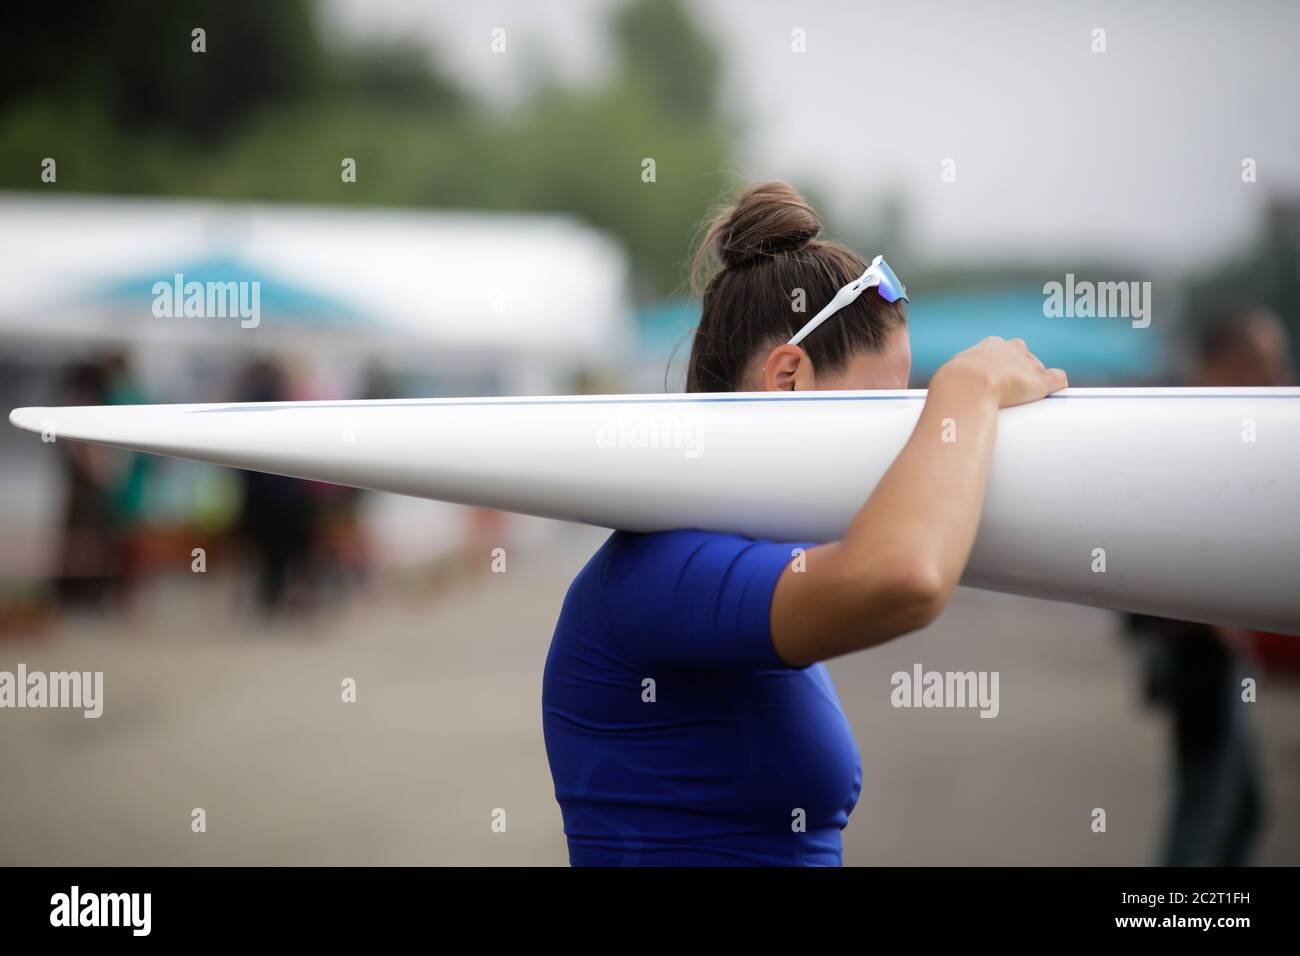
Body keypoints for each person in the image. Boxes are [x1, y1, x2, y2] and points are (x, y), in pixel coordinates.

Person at [541, 181, 1067, 865]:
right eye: (889, 402)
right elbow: (905, 577)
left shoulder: (737, 549)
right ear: (787, 377)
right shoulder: (663, 569)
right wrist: (965, 391)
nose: (905, 432)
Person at [1126, 304, 1291, 865]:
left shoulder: (1217, 427)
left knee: (1240, 810)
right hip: (1197, 652)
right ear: (1224, 361)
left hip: (1214, 651)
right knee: (1208, 813)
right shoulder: (1186, 433)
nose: (1275, 379)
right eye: (1263, 363)